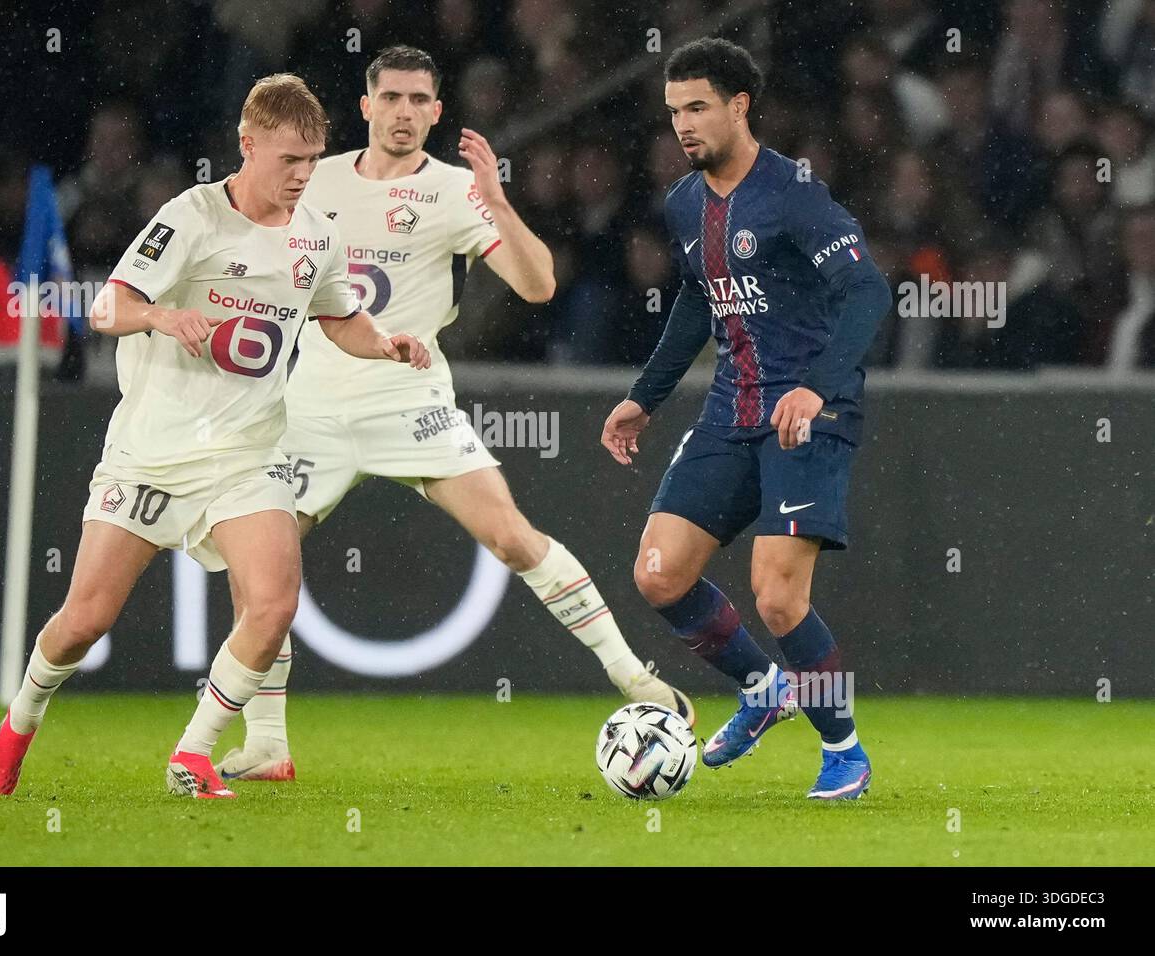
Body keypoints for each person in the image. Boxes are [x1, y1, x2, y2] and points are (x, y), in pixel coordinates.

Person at [217, 46, 694, 783]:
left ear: (437, 112)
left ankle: (632, 675)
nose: (405, 112)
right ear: (367, 105)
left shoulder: (454, 192)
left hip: (411, 399)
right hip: (309, 403)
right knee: (258, 568)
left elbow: (538, 286)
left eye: (419, 100)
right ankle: (268, 742)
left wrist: (498, 204)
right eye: (392, 98)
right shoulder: (319, 180)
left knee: (511, 537)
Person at [0, 73, 430, 800]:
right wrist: (163, 317)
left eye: (313, 160)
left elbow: (337, 315)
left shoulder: (318, 236)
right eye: (288, 160)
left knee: (275, 603)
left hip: (246, 454)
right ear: (247, 146)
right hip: (152, 452)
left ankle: (192, 753)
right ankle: (14, 730)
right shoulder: (191, 218)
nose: (302, 176)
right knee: (83, 622)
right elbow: (105, 308)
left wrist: (385, 343)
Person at [600, 38, 891, 800]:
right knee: (658, 574)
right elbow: (699, 299)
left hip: (807, 415)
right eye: (673, 113)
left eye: (697, 107)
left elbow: (867, 292)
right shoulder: (685, 202)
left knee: (777, 595)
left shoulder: (793, 191)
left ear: (740, 105)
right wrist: (646, 395)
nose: (683, 126)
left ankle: (844, 748)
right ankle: (765, 689)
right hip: (732, 409)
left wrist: (820, 389)